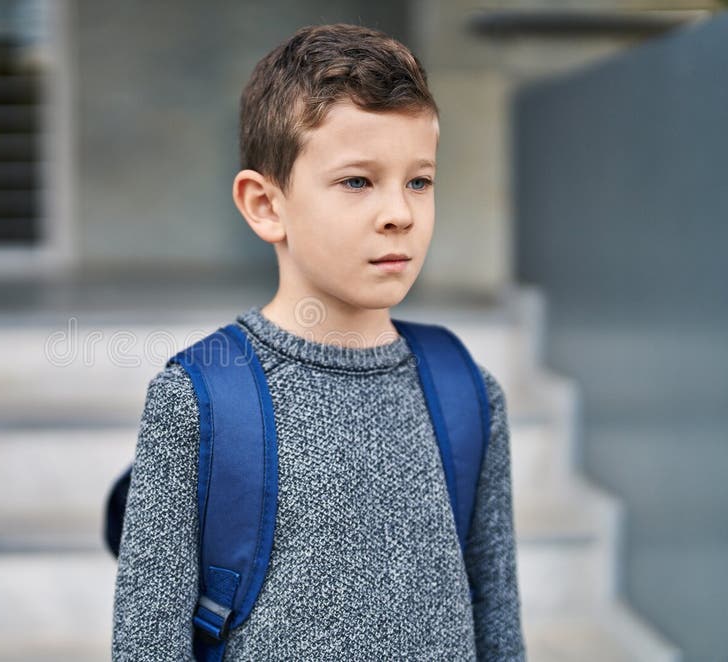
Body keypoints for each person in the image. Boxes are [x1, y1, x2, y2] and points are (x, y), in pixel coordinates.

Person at [111, 23, 525, 661]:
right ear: (265, 205)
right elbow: (147, 646)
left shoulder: (467, 394)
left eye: (419, 181)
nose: (401, 213)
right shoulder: (197, 401)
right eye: (358, 181)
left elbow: (495, 619)